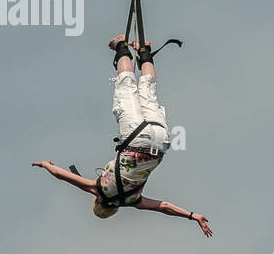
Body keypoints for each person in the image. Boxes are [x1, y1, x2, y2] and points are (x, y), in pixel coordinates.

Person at [32, 34, 211, 237]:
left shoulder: (135, 201)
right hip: (136, 139)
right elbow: (63, 176)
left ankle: (144, 53)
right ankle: (120, 46)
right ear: (98, 201)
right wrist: (47, 165)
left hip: (160, 142)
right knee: (126, 88)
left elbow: (165, 206)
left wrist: (192, 215)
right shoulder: (100, 189)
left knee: (148, 92)